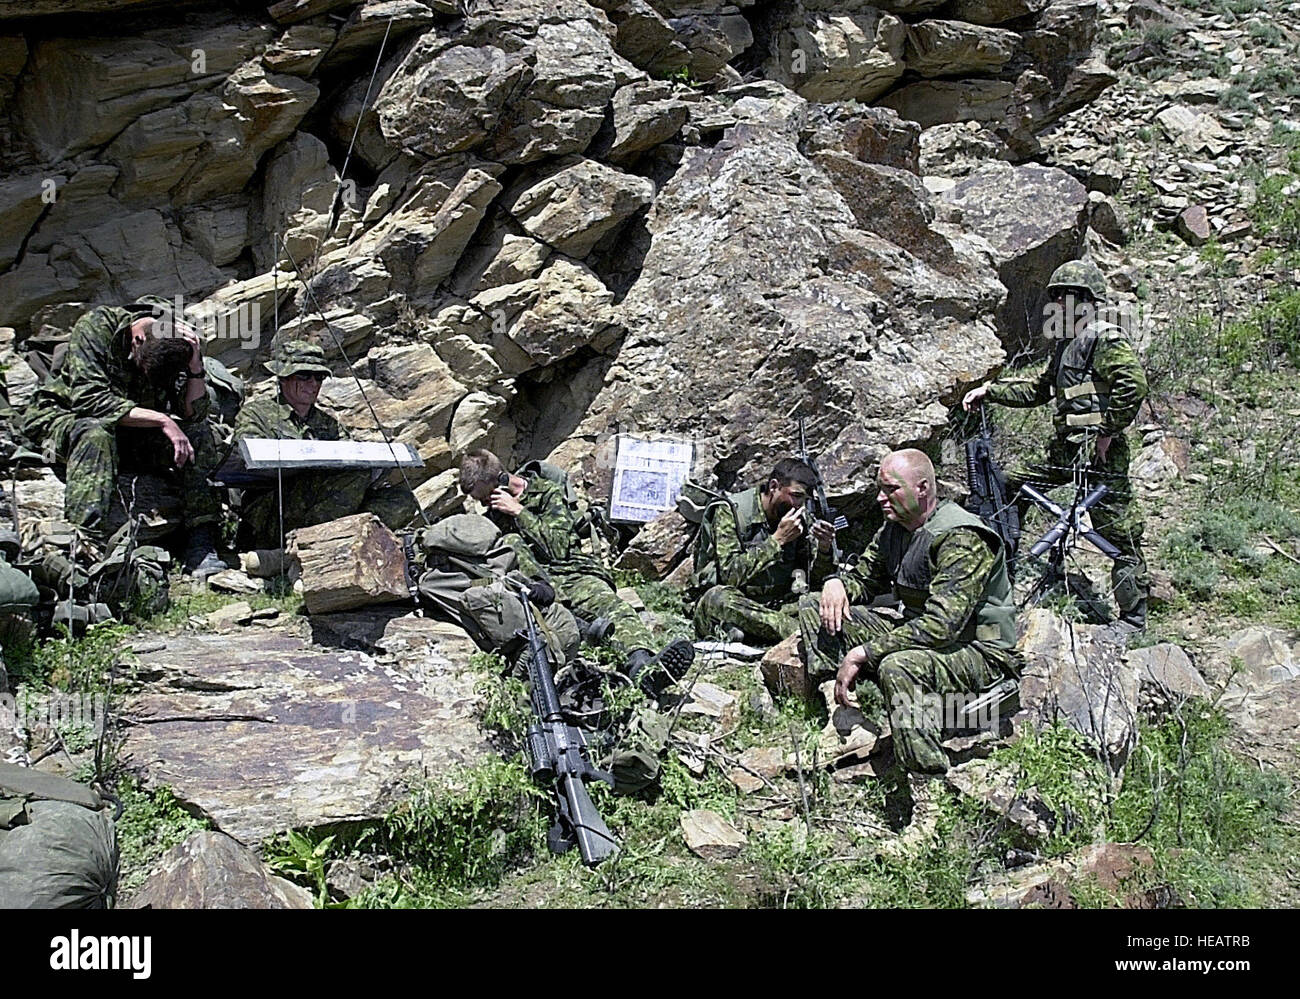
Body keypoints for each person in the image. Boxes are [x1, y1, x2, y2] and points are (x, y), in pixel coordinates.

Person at [797, 449, 1019, 780]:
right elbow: (864, 580)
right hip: (922, 630)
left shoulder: (960, 536)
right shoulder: (895, 528)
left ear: (923, 489)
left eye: (891, 489)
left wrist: (863, 652)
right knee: (816, 607)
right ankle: (847, 719)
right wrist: (834, 583)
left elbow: (942, 626)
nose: (881, 499)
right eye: (880, 489)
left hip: (979, 650)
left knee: (897, 666)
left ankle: (926, 779)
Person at [963, 258, 1150, 628]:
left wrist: (1107, 432)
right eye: (1059, 296)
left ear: (1086, 299)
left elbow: (1134, 385)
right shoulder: (1067, 344)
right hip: (1067, 448)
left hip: (1100, 455)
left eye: (1068, 296)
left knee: (1118, 531)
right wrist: (991, 391)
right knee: (1012, 487)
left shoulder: (1104, 337)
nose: (1061, 303)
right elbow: (1039, 389)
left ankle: (1133, 617)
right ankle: (1008, 568)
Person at [457, 448, 694, 695]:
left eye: (486, 498)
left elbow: (559, 549)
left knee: (613, 608)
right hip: (539, 589)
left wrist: (519, 512)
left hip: (571, 573)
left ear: (502, 481)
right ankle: (588, 633)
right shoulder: (494, 516)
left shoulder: (547, 493)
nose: (486, 505)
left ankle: (643, 668)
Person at [55, 298, 226, 575]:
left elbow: (195, 413)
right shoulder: (97, 326)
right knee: (96, 433)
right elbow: (89, 401)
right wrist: (162, 419)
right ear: (136, 340)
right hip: (67, 418)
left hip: (135, 428)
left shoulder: (174, 344)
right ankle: (84, 544)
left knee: (197, 432)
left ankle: (201, 541)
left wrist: (196, 366)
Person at [233, 340, 419, 549]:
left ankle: (336, 543)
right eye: (304, 375)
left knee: (401, 499)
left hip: (327, 503)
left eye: (319, 377)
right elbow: (246, 460)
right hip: (273, 510)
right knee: (352, 478)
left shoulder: (328, 423)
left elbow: (351, 458)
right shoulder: (256, 414)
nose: (313, 384)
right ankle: (302, 548)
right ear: (283, 377)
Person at [689, 458, 836, 644]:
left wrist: (824, 549)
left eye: (804, 499)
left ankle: (758, 631)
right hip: (736, 603)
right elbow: (730, 575)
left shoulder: (800, 519)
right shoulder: (730, 511)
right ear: (774, 486)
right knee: (718, 598)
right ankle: (798, 630)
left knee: (820, 598)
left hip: (775, 606)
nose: (799, 505)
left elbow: (812, 580)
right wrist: (777, 541)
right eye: (796, 495)